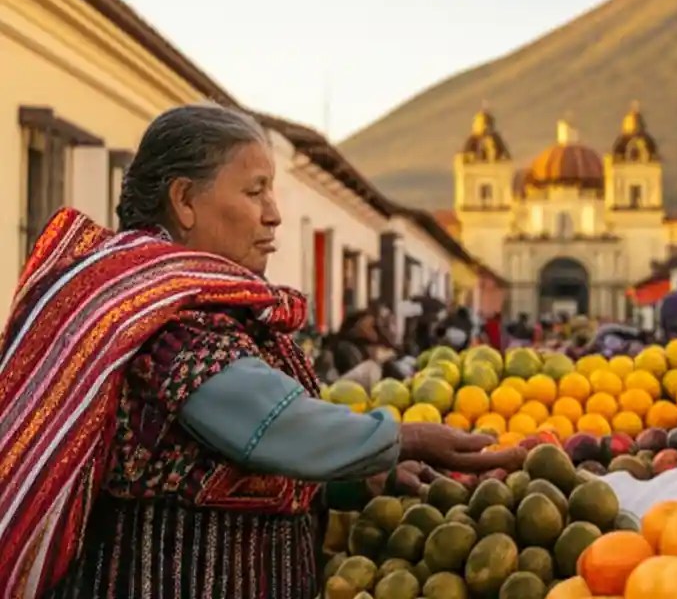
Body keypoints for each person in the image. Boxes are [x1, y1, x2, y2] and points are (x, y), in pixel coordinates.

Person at [0, 105, 525, 598]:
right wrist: (404, 438)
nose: (274, 215)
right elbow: (270, 425)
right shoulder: (156, 311)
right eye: (256, 192)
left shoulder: (186, 302)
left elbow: (226, 470)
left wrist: (358, 478)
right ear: (184, 200)